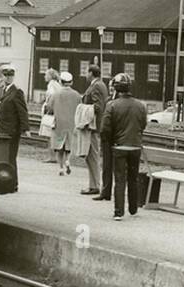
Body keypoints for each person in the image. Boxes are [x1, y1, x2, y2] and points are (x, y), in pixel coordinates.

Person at [100, 71, 147, 220]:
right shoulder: (141, 105)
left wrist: (110, 141)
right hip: (135, 146)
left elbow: (104, 129)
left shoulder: (111, 105)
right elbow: (143, 125)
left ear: (116, 88)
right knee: (133, 178)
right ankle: (133, 208)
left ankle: (118, 212)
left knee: (119, 179)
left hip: (119, 146)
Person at [44, 71, 82, 176]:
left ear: (61, 81)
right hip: (71, 124)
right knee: (69, 146)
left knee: (59, 147)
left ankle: (61, 168)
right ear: (71, 82)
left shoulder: (56, 94)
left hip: (59, 124)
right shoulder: (77, 95)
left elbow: (49, 108)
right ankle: (68, 161)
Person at [80, 64, 108, 196]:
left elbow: (98, 106)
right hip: (94, 126)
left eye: (87, 72)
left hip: (92, 126)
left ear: (91, 73)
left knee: (92, 156)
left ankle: (95, 186)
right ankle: (93, 185)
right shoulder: (100, 84)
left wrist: (83, 110)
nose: (86, 74)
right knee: (91, 155)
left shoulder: (96, 86)